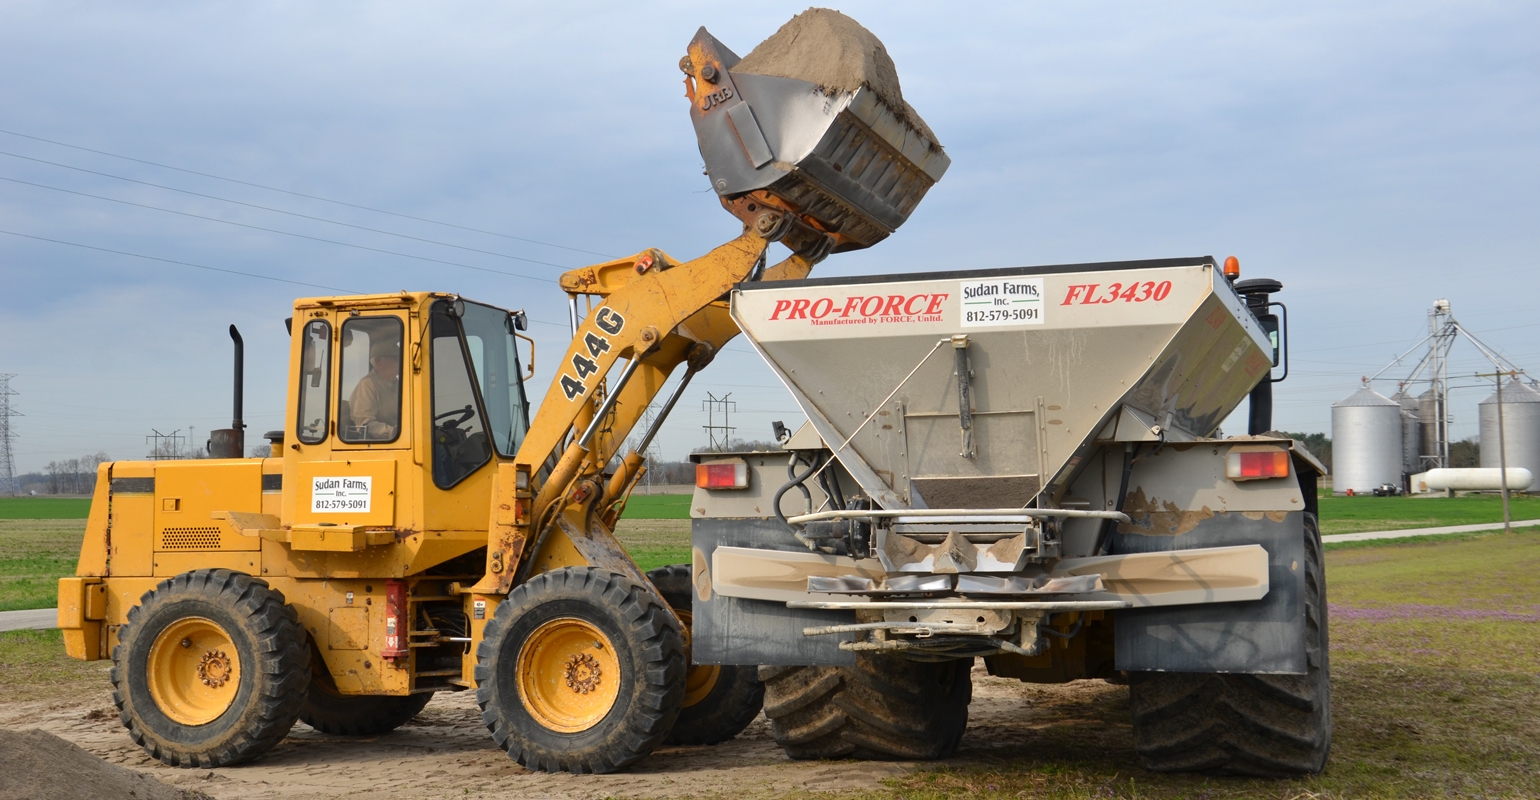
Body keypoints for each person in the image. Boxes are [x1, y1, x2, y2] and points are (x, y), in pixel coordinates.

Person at [349, 337, 400, 440]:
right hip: (379, 444)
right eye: (395, 358)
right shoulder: (368, 384)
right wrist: (394, 432)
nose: (399, 362)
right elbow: (365, 424)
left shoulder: (398, 385)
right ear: (378, 361)